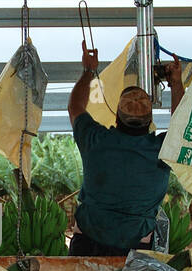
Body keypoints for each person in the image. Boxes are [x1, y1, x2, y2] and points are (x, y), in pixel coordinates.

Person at [67, 47, 185, 256]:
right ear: (150, 122)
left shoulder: (95, 140)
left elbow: (75, 106)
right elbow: (181, 125)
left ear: (116, 118)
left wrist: (88, 71)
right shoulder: (160, 150)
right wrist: (176, 82)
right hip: (136, 248)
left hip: (87, 242)